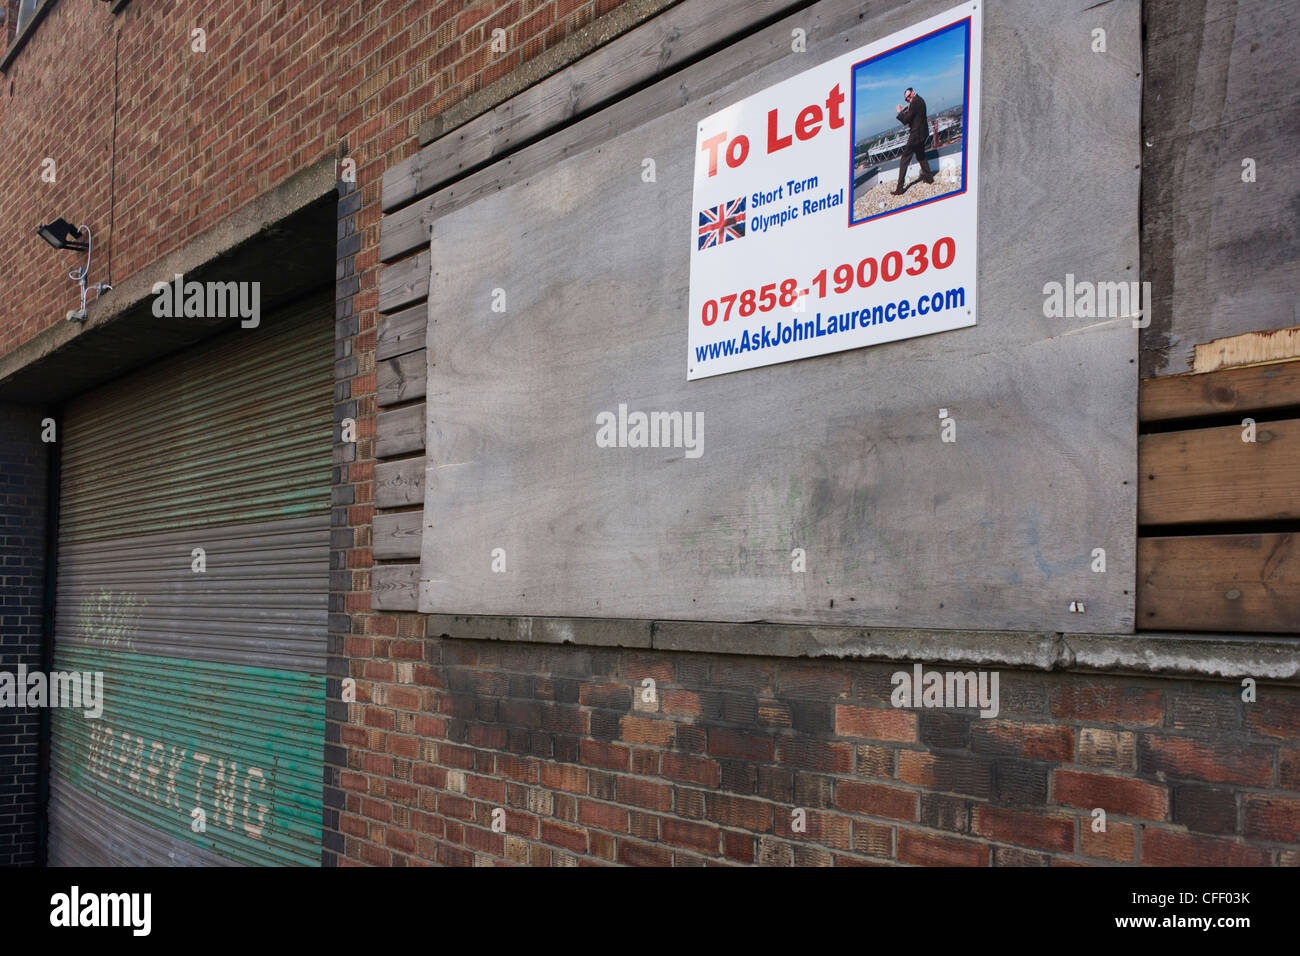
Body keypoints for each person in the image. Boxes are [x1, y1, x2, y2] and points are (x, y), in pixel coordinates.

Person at [892, 87, 935, 194]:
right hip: (922, 133)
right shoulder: (920, 100)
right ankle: (929, 178)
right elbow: (915, 117)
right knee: (920, 155)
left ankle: (899, 188)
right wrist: (907, 111)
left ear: (913, 92)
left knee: (904, 160)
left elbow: (906, 120)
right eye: (906, 98)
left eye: (908, 96)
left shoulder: (915, 102)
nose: (908, 99)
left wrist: (900, 112)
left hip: (916, 135)